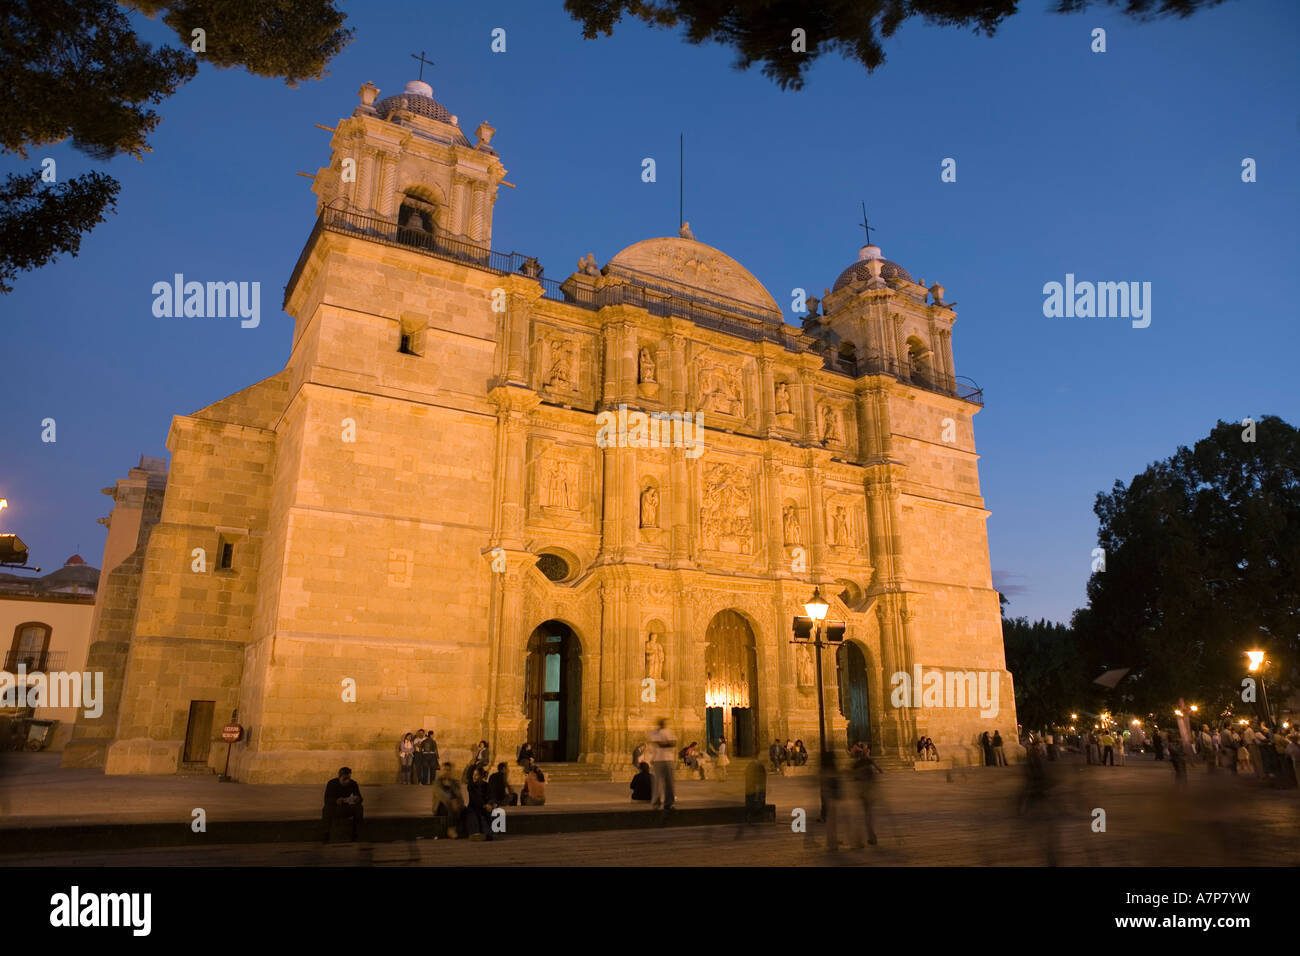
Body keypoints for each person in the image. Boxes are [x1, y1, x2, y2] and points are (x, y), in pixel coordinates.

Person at [320, 766, 364, 843]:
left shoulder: (353, 783)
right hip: (335, 808)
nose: (347, 781)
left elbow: (360, 798)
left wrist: (357, 799)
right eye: (344, 779)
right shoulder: (331, 783)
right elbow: (326, 799)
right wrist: (336, 801)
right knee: (326, 809)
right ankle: (326, 834)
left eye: (348, 779)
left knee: (359, 808)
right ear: (339, 777)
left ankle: (356, 834)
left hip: (347, 808)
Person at [650, 718, 677, 810]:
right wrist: (666, 743)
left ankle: (669, 803)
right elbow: (660, 744)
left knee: (669, 782)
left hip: (668, 759)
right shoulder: (654, 732)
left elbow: (673, 743)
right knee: (657, 782)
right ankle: (656, 802)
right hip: (658, 760)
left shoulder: (668, 731)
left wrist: (664, 743)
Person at [432, 761, 464, 839]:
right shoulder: (437, 782)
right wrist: (451, 801)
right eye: (445, 770)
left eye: (449, 770)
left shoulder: (454, 782)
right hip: (441, 806)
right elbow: (441, 796)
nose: (447, 772)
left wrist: (451, 785)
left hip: (455, 804)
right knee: (450, 807)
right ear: (442, 771)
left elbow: (459, 795)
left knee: (466, 810)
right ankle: (451, 829)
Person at [464, 765, 494, 841]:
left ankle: (486, 833)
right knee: (473, 814)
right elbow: (475, 799)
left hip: (483, 808)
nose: (474, 777)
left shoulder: (487, 786)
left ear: (481, 776)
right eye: (473, 775)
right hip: (473, 807)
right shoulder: (471, 785)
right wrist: (485, 805)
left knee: (483, 815)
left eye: (476, 775)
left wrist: (490, 804)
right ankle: (475, 833)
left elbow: (491, 797)